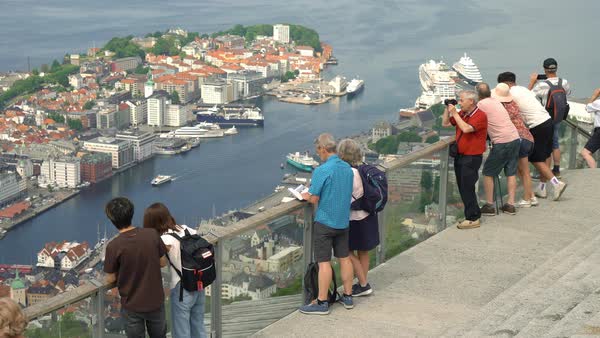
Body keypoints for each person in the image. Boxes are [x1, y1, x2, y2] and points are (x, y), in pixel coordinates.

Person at [299, 133, 354, 315]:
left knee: (324, 262)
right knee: (344, 258)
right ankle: (348, 296)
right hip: (343, 221)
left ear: (323, 149)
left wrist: (306, 196)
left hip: (325, 221)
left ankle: (322, 302)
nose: (318, 154)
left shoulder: (322, 170)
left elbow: (314, 198)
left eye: (318, 150)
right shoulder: (347, 168)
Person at [104, 197, 168, 338]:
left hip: (132, 304)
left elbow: (110, 279)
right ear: (131, 213)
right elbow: (163, 262)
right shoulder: (151, 234)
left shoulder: (113, 246)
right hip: (155, 300)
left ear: (112, 220)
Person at [498, 72, 567, 201]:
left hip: (537, 125)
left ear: (505, 84)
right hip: (548, 121)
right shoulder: (523, 89)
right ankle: (542, 187)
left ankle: (556, 184)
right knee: (545, 155)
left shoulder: (510, 93)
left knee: (535, 158)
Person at [143, 203, 207, 338]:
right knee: (198, 327)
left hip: (181, 288)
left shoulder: (162, 240)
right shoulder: (187, 229)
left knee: (181, 332)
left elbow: (159, 263)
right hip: (199, 283)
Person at [337, 138, 378, 297]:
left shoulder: (348, 172)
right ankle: (362, 283)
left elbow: (344, 197)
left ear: (342, 154)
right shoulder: (364, 169)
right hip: (368, 215)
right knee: (363, 251)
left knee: (346, 250)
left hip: (353, 218)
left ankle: (363, 284)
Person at [442, 90, 488, 229]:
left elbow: (467, 129)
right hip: (461, 155)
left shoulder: (480, 115)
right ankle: (470, 214)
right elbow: (445, 123)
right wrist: (447, 109)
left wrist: (455, 113)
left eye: (461, 100)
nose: (459, 103)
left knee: (467, 187)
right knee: (462, 187)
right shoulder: (463, 113)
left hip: (472, 156)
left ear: (471, 101)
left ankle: (473, 217)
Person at [476, 83, 521, 215]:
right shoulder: (496, 101)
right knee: (511, 172)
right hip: (514, 138)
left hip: (502, 141)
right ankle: (510, 205)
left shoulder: (481, 105)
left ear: (478, 94)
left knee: (488, 172)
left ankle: (489, 205)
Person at [491, 83, 537, 207]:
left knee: (524, 171)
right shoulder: (513, 104)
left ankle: (527, 199)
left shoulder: (502, 108)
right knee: (519, 170)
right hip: (527, 137)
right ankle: (531, 195)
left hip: (519, 139)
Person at [528, 58, 572, 178]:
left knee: (544, 145)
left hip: (545, 118)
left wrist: (532, 81)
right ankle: (556, 169)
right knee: (555, 142)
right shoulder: (564, 82)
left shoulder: (542, 85)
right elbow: (568, 93)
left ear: (545, 69)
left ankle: (543, 173)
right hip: (558, 117)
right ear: (556, 68)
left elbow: (527, 96)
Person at [581, 88, 600, 168]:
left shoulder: (598, 103)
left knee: (585, 153)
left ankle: (594, 175)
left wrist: (594, 95)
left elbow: (587, 108)